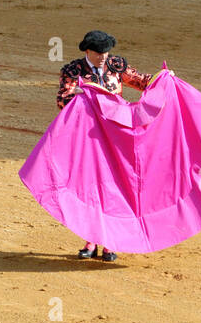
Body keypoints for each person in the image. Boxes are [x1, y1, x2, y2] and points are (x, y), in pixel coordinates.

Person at [55, 30, 154, 261]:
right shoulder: (73, 71)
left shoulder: (116, 65)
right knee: (90, 188)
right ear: (87, 51)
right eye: (99, 53)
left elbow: (141, 81)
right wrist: (78, 97)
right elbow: (62, 100)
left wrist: (163, 78)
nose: (103, 57)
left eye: (105, 53)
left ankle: (109, 241)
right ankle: (91, 239)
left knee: (114, 187)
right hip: (89, 138)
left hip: (117, 135)